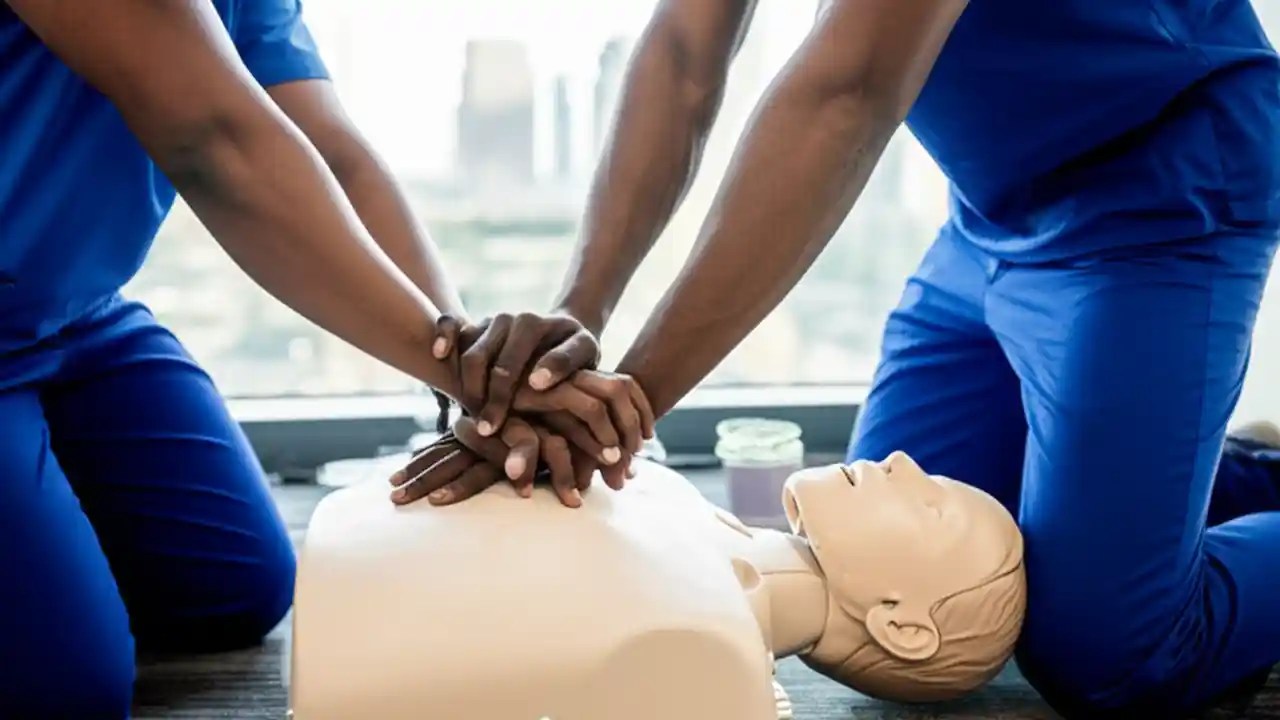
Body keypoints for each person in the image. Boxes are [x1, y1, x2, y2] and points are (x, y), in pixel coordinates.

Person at [412, 0, 1280, 717]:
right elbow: (684, 49)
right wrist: (580, 316)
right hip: (990, 214)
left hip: (1158, 198)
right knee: (900, 562)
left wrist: (620, 407)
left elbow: (849, 90)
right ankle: (1228, 477)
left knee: (1107, 653)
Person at [0, 2, 650, 717]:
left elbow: (329, 151)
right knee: (64, 696)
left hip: (75, 311)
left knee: (233, 589)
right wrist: (468, 370)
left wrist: (473, 369)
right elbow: (213, 136)